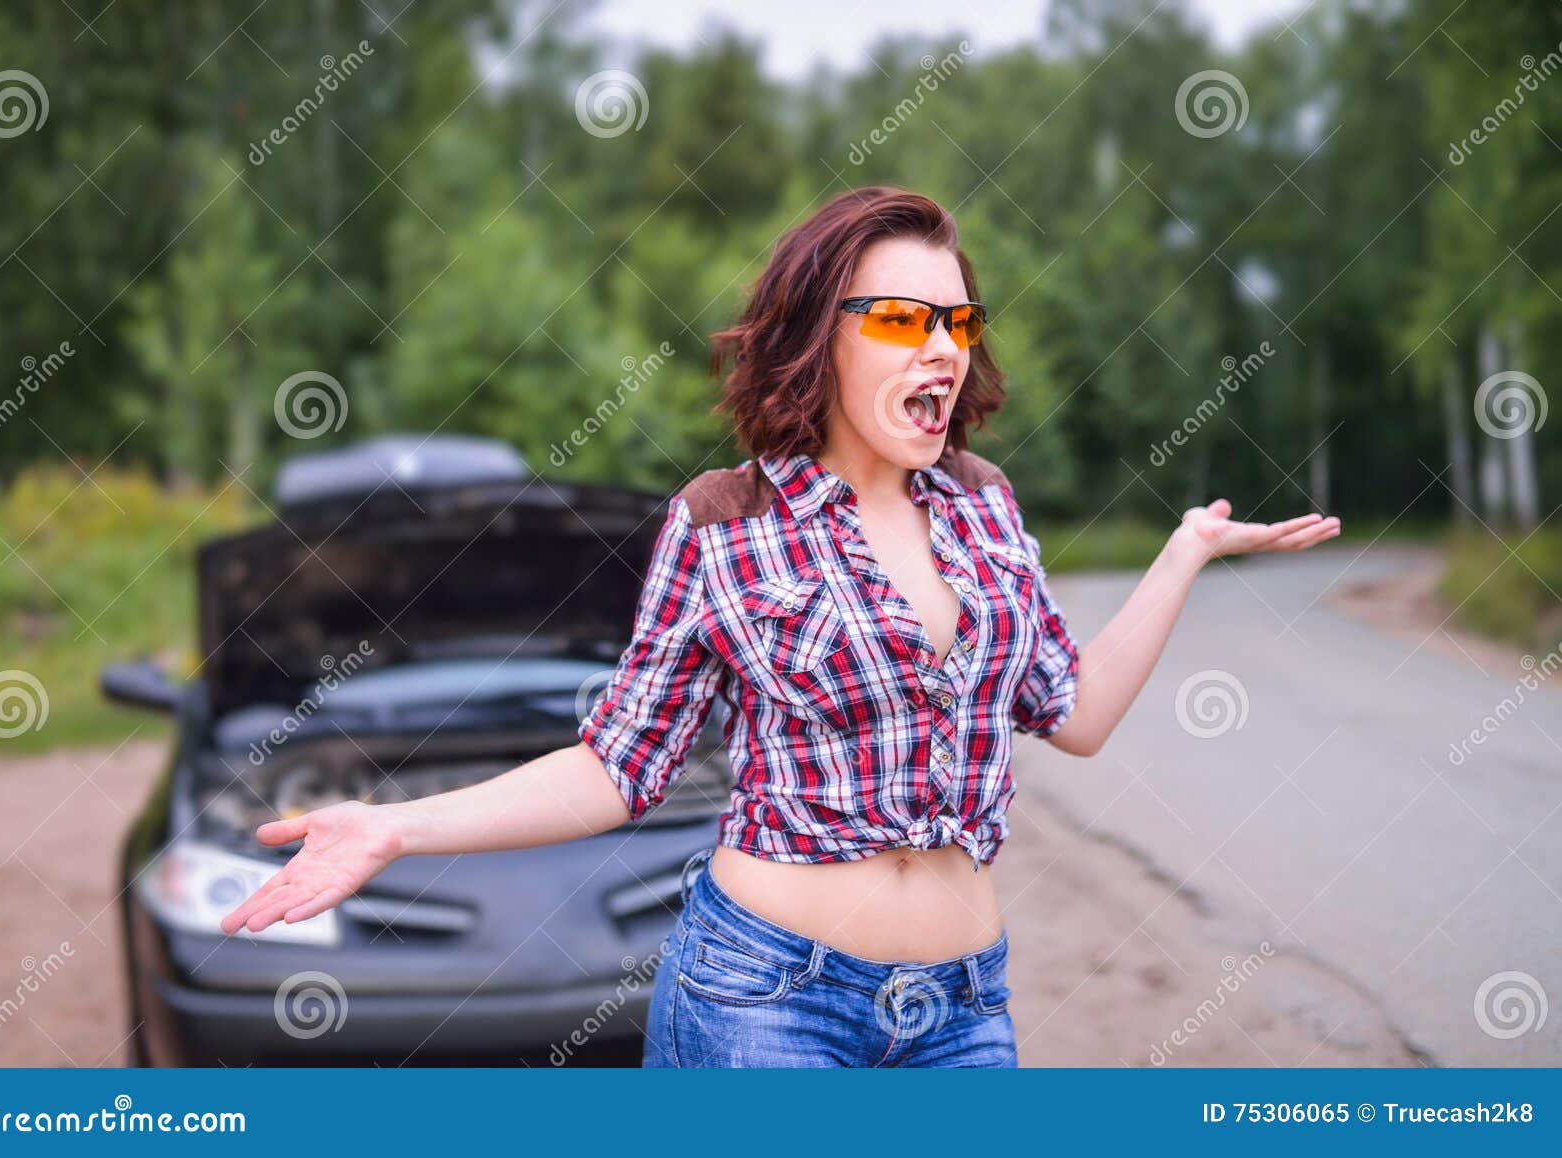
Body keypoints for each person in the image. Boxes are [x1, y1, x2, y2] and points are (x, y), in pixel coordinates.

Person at [218, 186, 1341, 1067]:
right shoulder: (724, 523)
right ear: (819, 338)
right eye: (902, 319)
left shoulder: (984, 503)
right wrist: (398, 829)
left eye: (957, 320)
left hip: (964, 1010)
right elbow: (620, 765)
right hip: (767, 1003)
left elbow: (1075, 715)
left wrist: (1184, 553)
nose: (942, 348)